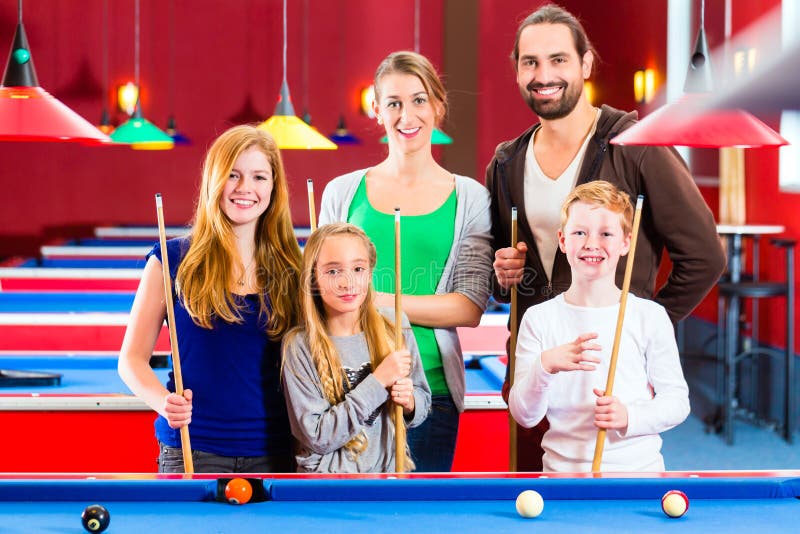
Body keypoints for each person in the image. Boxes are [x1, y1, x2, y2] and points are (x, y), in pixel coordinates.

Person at [487, 4, 725, 471]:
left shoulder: (636, 144)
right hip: (538, 365)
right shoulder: (507, 161)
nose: (543, 74)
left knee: (613, 486)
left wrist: (637, 325)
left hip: (609, 373)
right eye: (529, 62)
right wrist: (502, 271)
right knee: (537, 497)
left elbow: (704, 256)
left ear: (586, 64)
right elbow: (502, 275)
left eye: (558, 60)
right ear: (517, 71)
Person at [319, 51, 493, 472]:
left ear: (438, 106)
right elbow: (317, 289)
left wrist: (375, 300)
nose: (406, 114)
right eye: (393, 103)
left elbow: (469, 306)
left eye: (418, 100)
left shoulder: (470, 198)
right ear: (377, 110)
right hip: (346, 388)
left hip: (429, 389)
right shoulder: (341, 193)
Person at [118, 125, 302, 473]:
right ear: (213, 181)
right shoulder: (170, 260)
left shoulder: (295, 267)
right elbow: (131, 360)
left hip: (279, 453)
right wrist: (165, 403)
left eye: (259, 177)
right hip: (191, 449)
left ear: (274, 188)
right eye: (233, 175)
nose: (245, 188)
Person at [509, 181, 690, 472]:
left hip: (639, 475)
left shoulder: (649, 316)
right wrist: (545, 366)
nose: (592, 244)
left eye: (606, 233)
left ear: (625, 243)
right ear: (563, 240)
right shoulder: (539, 318)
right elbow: (524, 415)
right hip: (562, 477)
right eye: (579, 232)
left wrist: (629, 416)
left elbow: (677, 402)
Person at [281, 223, 431, 472]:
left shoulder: (394, 324)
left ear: (370, 274)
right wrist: (378, 381)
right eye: (332, 271)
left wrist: (410, 403)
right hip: (326, 486)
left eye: (358, 268)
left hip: (389, 477)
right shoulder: (299, 346)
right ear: (313, 279)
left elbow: (422, 400)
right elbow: (317, 437)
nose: (347, 282)